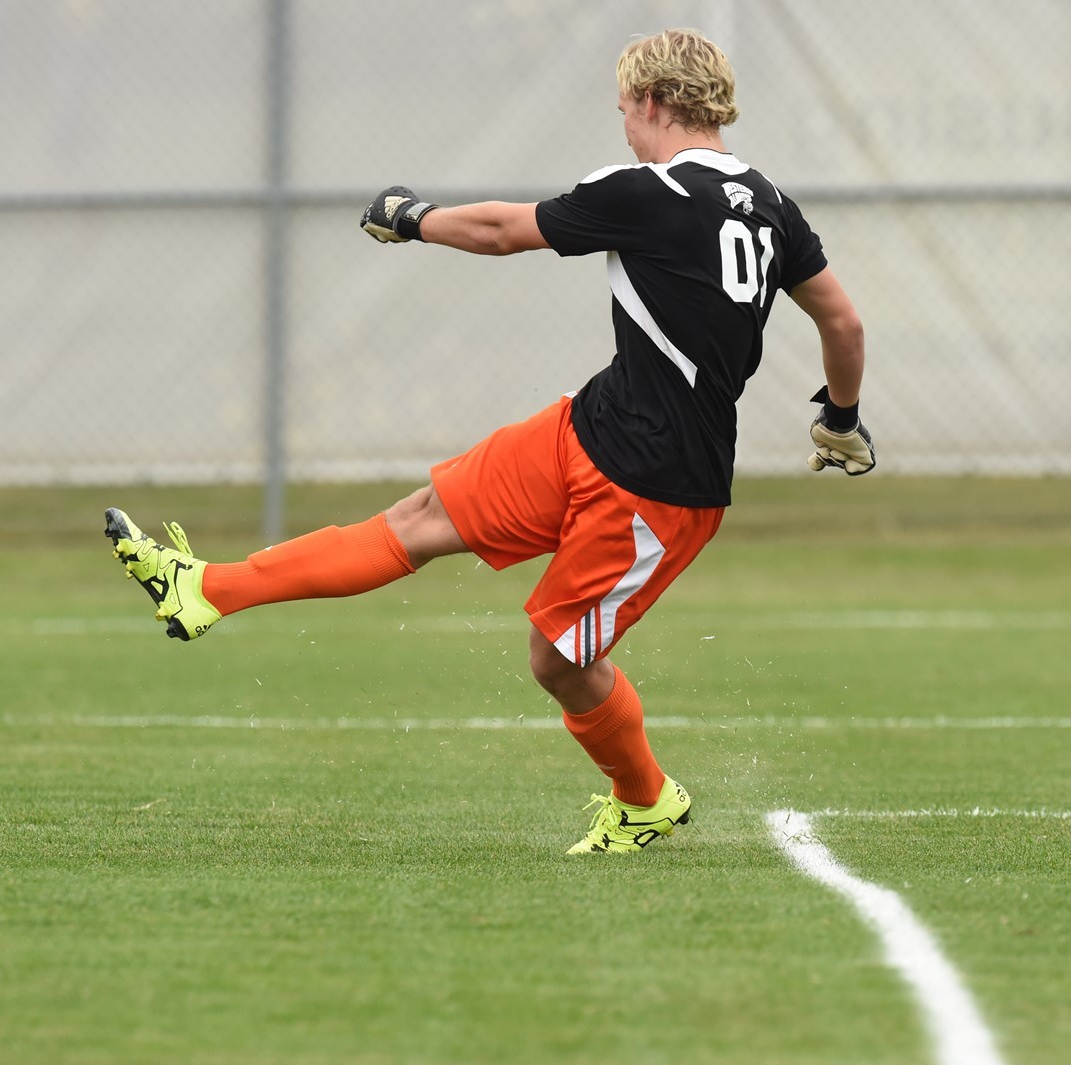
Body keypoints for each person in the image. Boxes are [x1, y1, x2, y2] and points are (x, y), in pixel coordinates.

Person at [104, 27, 874, 855]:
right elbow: (842, 317)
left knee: (555, 659)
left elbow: (507, 230)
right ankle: (206, 588)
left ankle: (647, 797)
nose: (624, 126)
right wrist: (839, 413)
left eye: (625, 110)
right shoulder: (771, 205)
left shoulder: (645, 189)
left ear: (653, 102)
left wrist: (415, 217)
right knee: (423, 517)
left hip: (658, 482)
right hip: (595, 426)